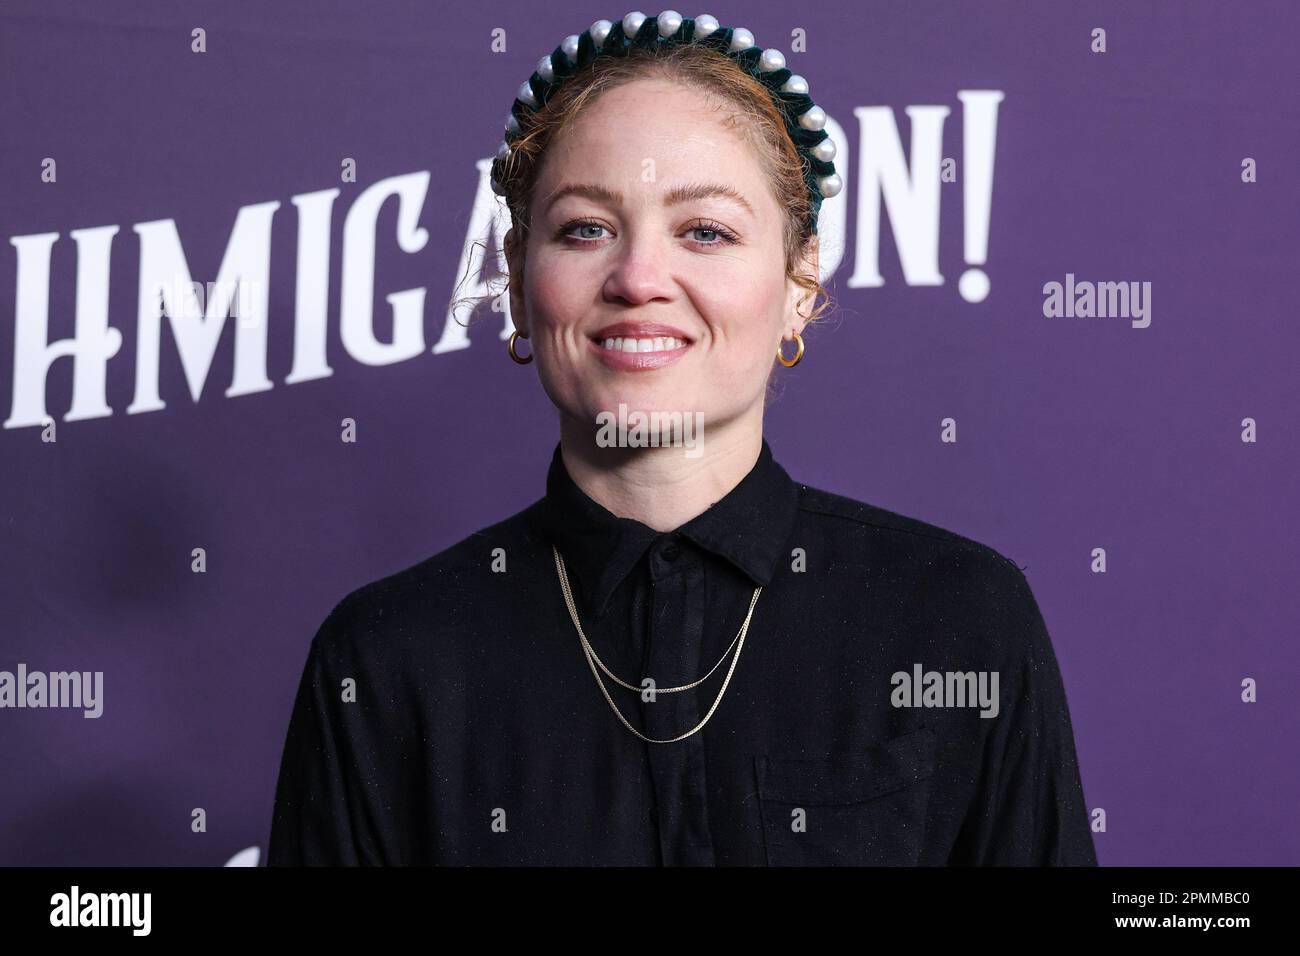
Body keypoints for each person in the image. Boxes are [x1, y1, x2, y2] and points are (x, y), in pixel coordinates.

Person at [267, 11, 1097, 866]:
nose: (638, 279)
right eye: (586, 228)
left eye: (706, 231)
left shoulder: (961, 621)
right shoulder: (383, 658)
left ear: (800, 283)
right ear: (517, 282)